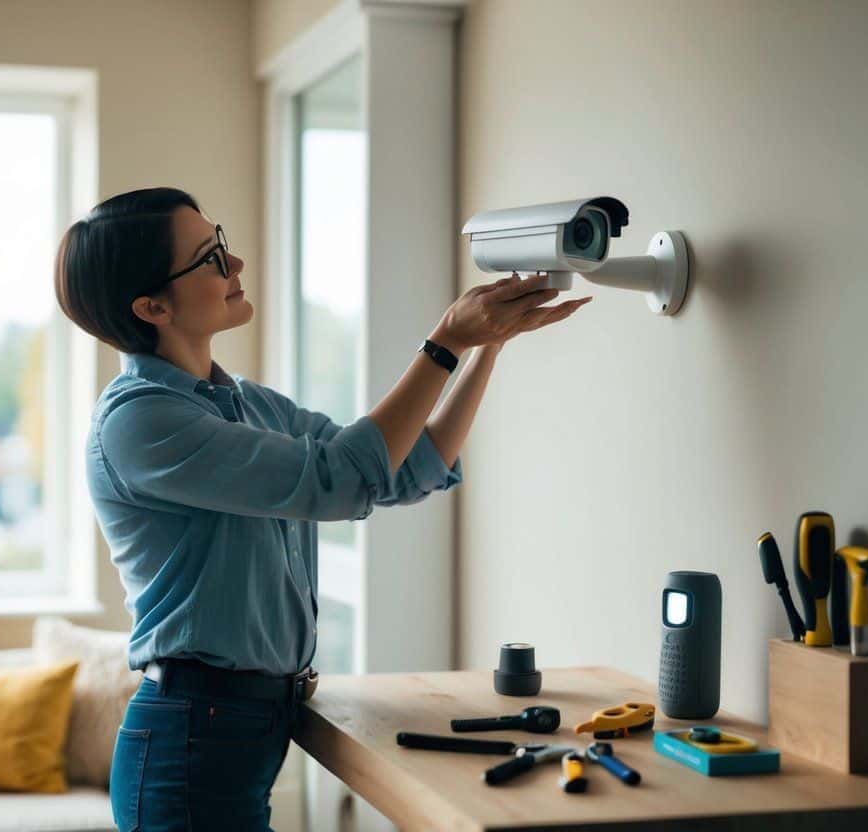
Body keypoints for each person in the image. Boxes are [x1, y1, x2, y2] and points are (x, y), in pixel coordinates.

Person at [53, 187, 592, 831]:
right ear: (151, 306)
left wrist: (486, 346)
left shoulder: (251, 405)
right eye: (210, 259)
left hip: (240, 731)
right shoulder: (140, 423)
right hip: (192, 742)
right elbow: (342, 482)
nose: (236, 266)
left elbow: (400, 469)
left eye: (222, 244)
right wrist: (444, 341)